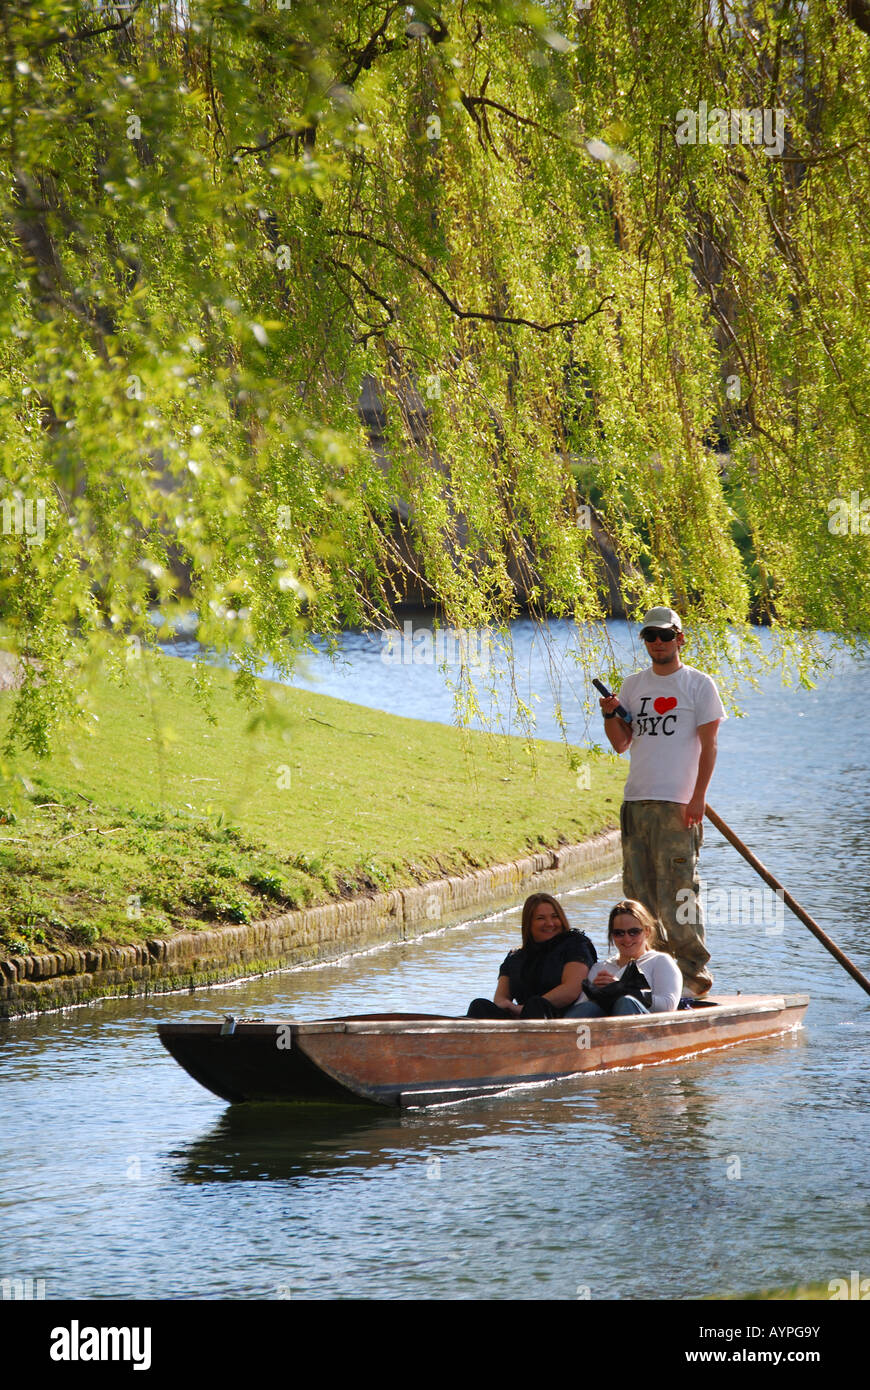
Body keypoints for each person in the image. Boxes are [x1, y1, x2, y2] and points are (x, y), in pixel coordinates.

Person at [598, 606, 726, 995]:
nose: (657, 643)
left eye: (665, 636)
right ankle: (651, 974)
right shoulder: (634, 685)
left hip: (677, 805)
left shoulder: (697, 685)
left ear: (679, 639)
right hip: (636, 803)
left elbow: (710, 747)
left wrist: (698, 797)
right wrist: (609, 715)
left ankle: (693, 975)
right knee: (639, 896)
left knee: (679, 893)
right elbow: (622, 743)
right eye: (650, 636)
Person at [467, 893, 596, 1019]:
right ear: (529, 924)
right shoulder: (515, 957)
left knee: (535, 1005)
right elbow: (501, 998)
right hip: (520, 1017)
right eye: (541, 918)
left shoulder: (575, 944)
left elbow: (571, 989)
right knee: (479, 1006)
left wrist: (522, 1008)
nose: (550, 923)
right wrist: (508, 1006)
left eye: (555, 916)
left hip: (559, 1017)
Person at [566, 900, 682, 1017]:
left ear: (647, 931)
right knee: (588, 1006)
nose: (627, 939)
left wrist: (622, 989)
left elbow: (668, 1006)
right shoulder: (600, 968)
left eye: (634, 932)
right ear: (612, 935)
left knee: (626, 1001)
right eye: (619, 933)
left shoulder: (660, 961)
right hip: (604, 1030)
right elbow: (580, 1008)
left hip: (646, 1029)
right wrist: (596, 993)